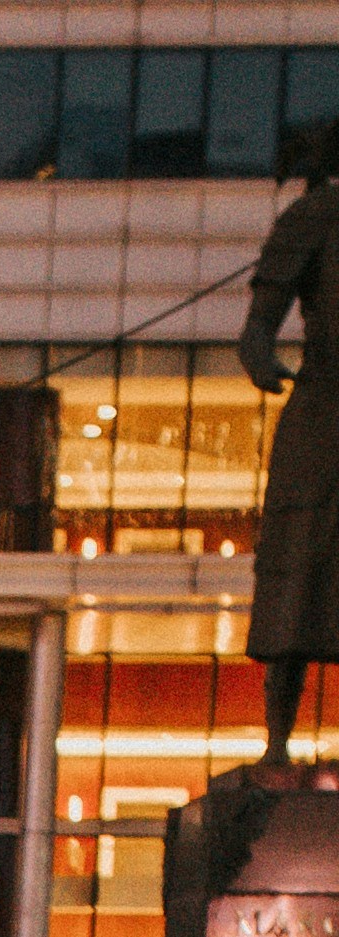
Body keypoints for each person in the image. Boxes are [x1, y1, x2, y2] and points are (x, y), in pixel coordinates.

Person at [242, 116, 339, 768]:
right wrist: (259, 354)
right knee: (296, 570)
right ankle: (277, 741)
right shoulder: (316, 215)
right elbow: (258, 326)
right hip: (324, 408)